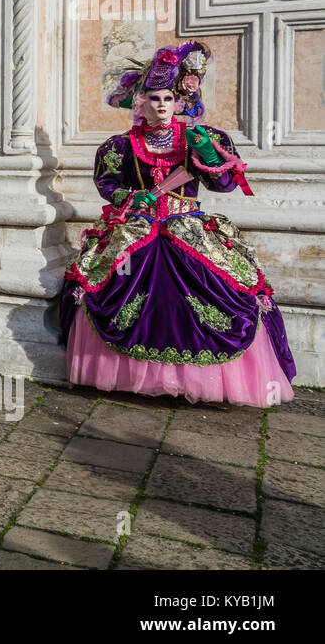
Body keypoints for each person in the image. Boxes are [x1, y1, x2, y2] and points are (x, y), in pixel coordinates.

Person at [59, 41, 295, 406]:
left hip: (188, 227)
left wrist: (205, 153)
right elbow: (108, 185)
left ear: (181, 100)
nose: (162, 105)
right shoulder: (118, 146)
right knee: (111, 284)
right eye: (154, 98)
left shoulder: (201, 138)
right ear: (140, 101)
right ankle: (130, 375)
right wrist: (133, 197)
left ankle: (201, 381)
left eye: (169, 98)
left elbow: (225, 183)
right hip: (139, 228)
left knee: (224, 288)